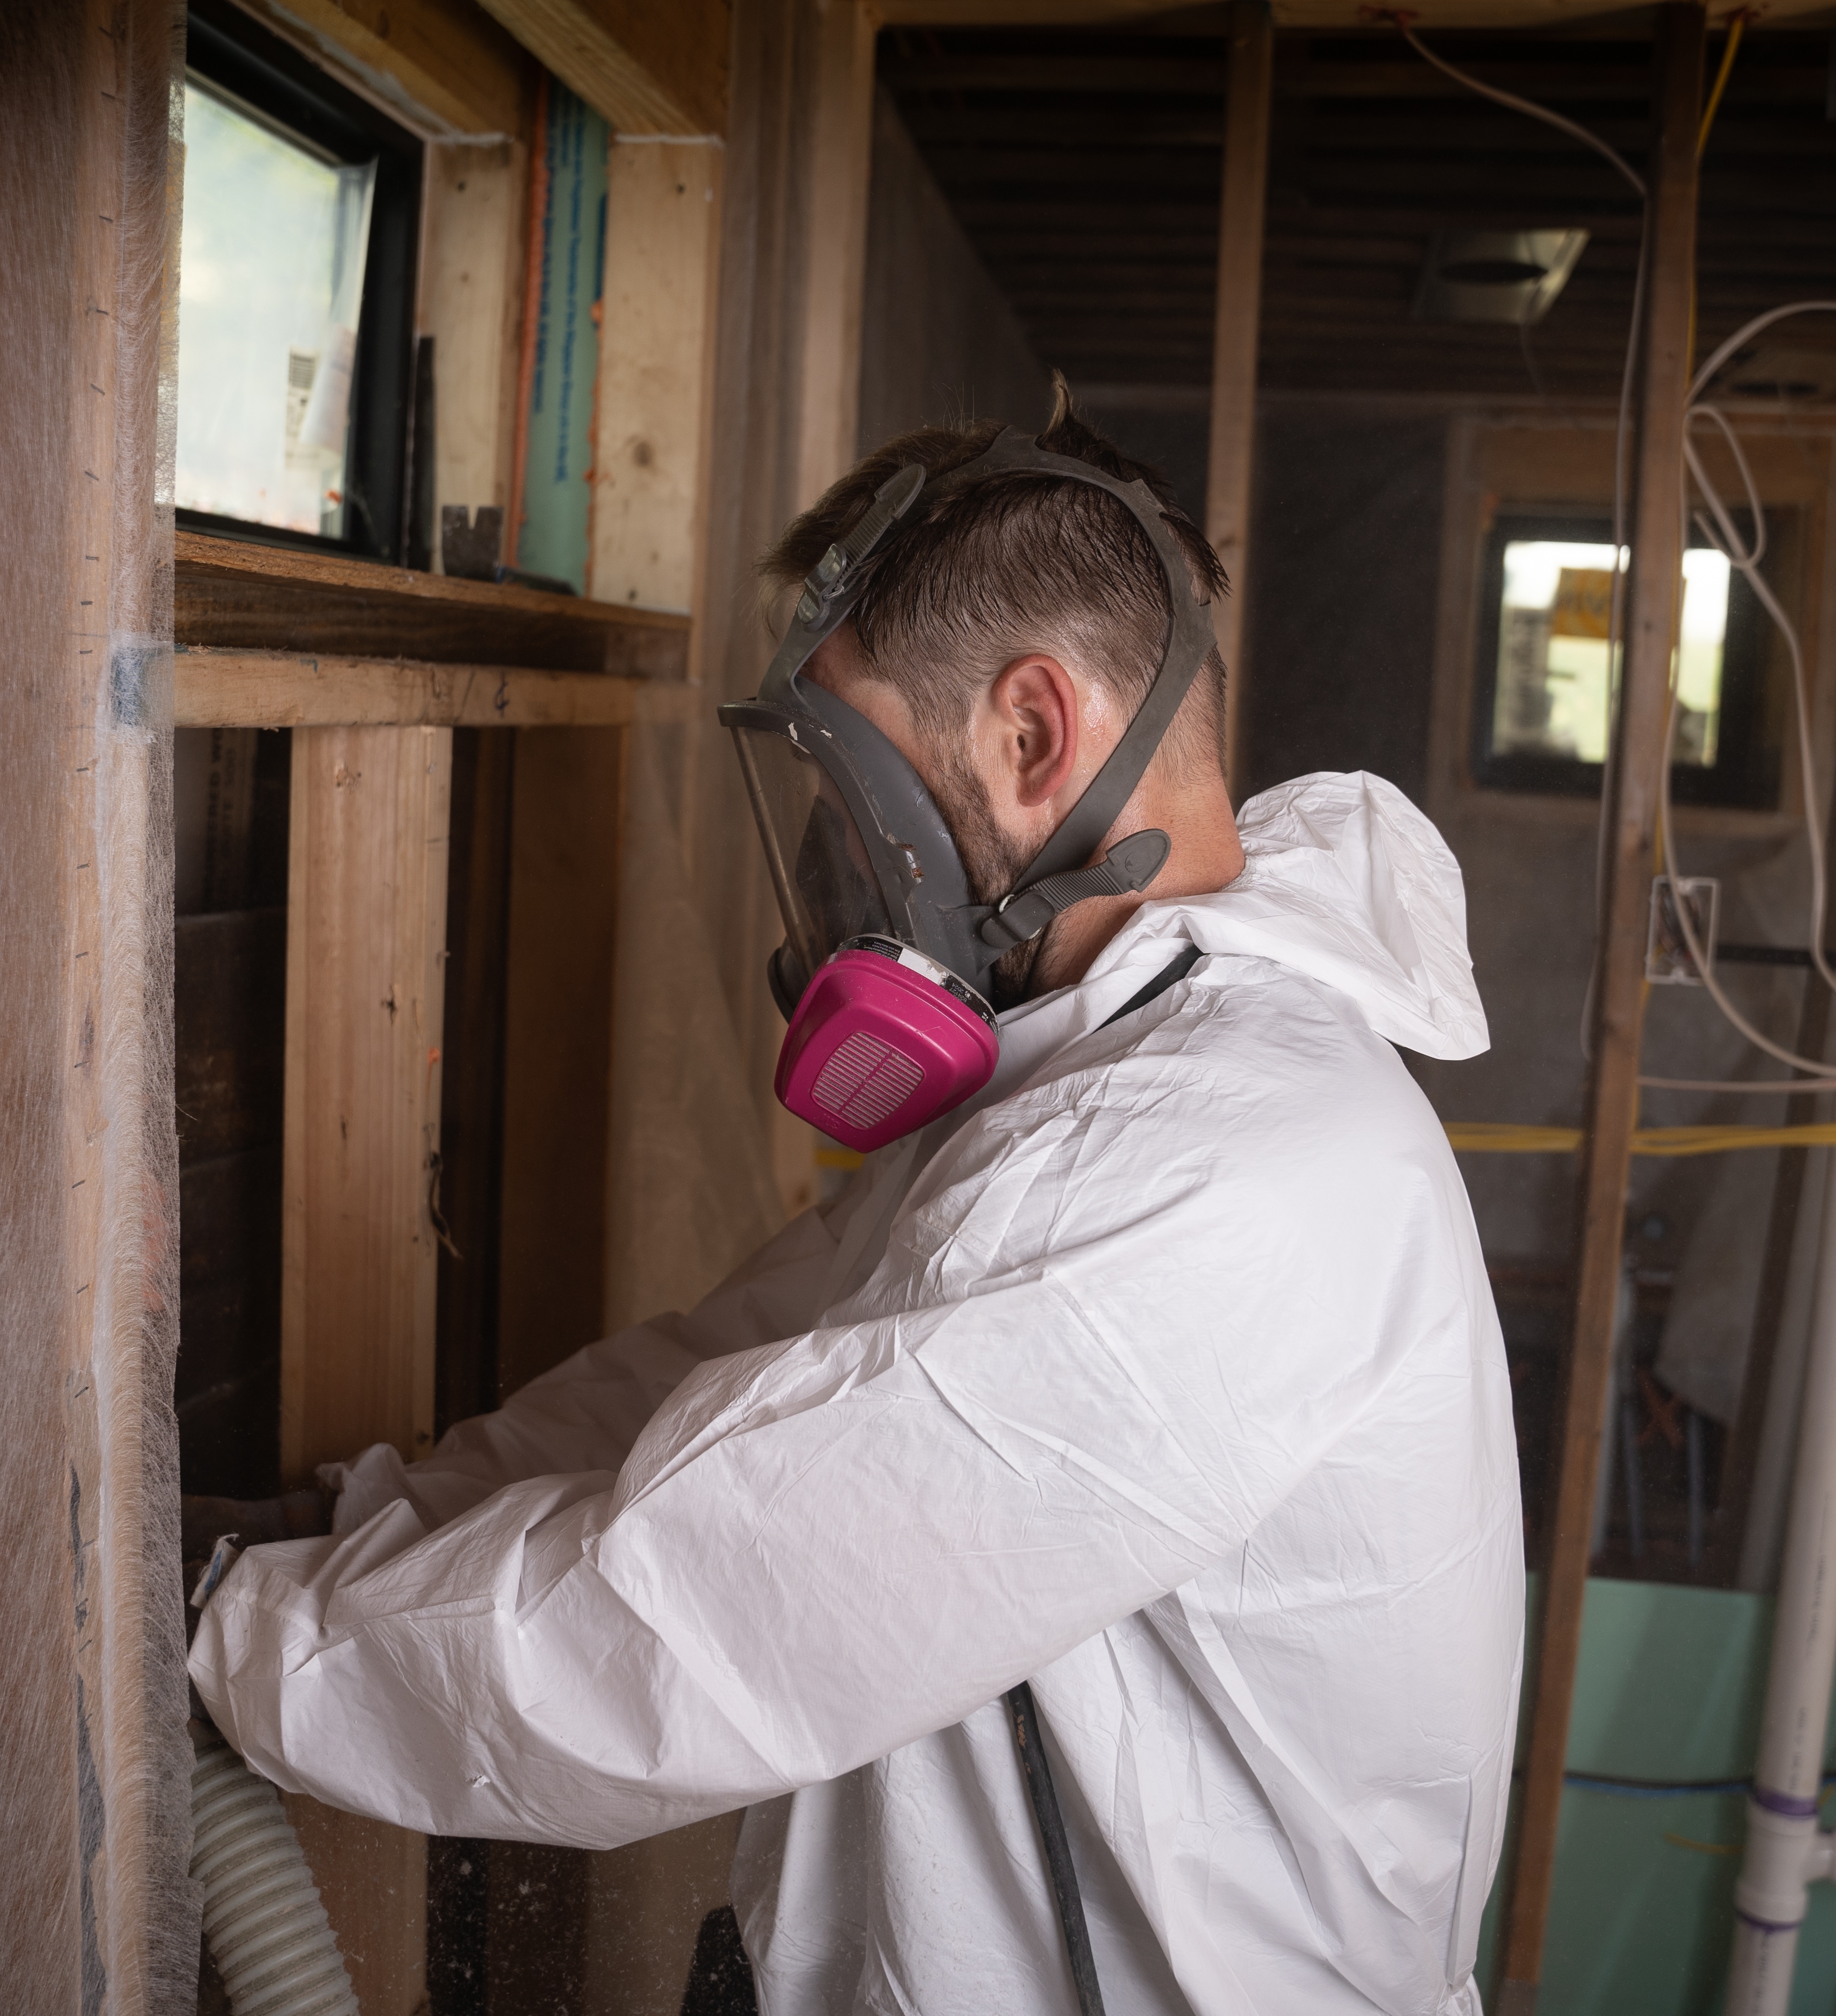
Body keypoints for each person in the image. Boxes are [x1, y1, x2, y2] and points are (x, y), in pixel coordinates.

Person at [191, 396, 1524, 2015]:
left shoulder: (1215, 1172)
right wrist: (355, 1516)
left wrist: (219, 1643)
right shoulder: (1087, 1088)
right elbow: (731, 1380)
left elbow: (685, 1631)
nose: (839, 871)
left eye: (858, 793)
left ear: (1036, 736)